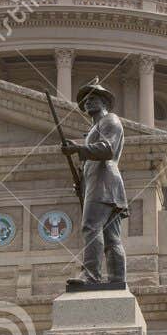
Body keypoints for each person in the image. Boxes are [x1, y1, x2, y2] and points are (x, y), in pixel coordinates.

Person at [63, 79, 127, 286]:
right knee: (111, 238)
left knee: (91, 227)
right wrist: (81, 183)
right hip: (101, 184)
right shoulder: (95, 127)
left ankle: (91, 275)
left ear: (104, 102)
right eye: (85, 100)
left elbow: (107, 149)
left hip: (104, 183)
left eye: (93, 99)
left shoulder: (110, 120)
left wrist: (78, 149)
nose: (88, 102)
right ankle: (117, 280)